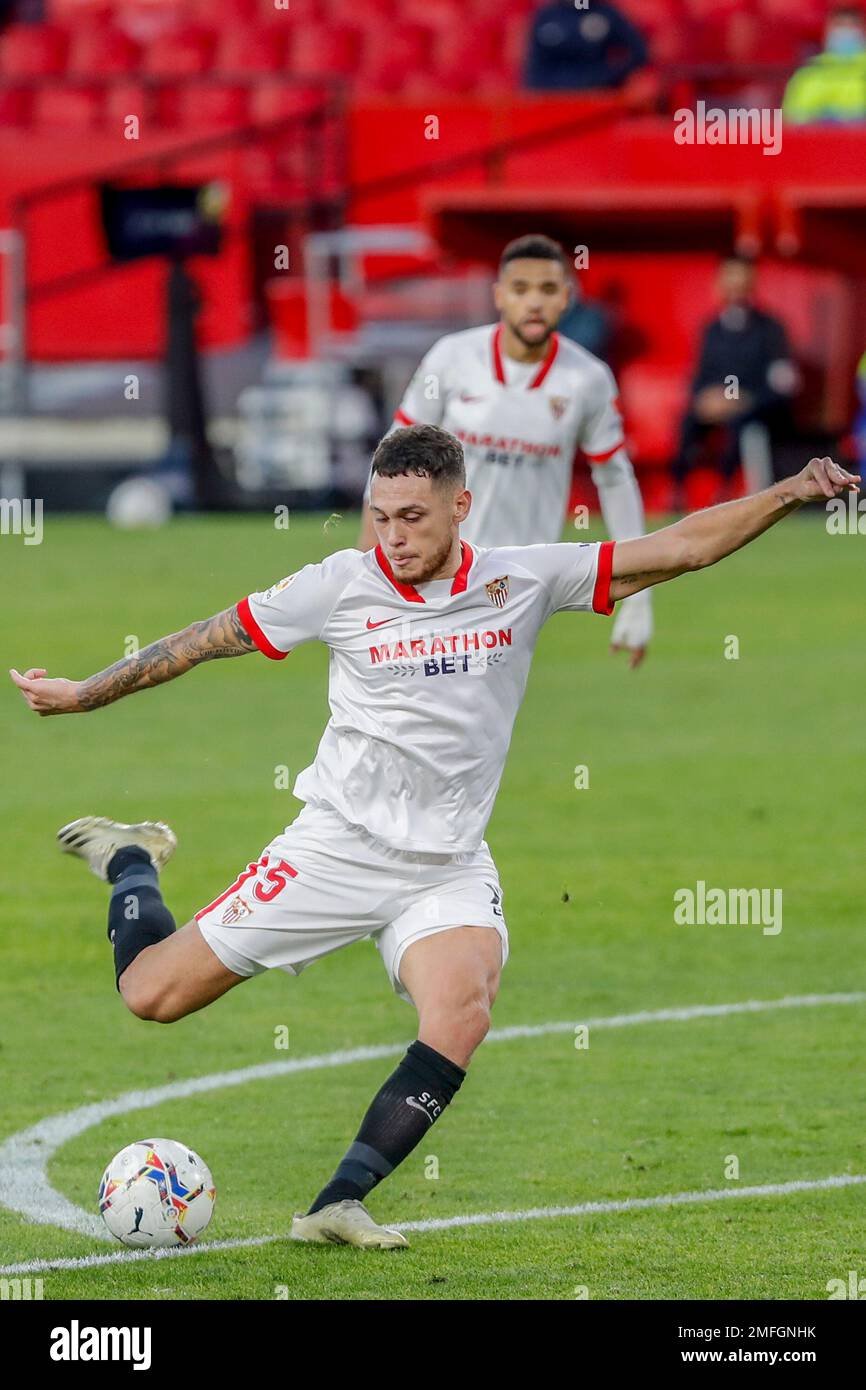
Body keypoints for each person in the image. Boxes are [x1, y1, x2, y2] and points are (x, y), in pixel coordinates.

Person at [10, 425, 856, 1249]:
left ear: (461, 507)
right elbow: (201, 642)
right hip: (334, 849)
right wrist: (86, 694)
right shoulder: (337, 585)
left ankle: (335, 1205)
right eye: (379, 515)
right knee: (151, 996)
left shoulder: (523, 579)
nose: (393, 535)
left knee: (462, 1008)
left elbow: (681, 548)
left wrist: (787, 491)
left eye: (413, 517)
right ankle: (129, 856)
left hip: (446, 865)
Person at [358, 234, 652, 668]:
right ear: (499, 295)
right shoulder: (452, 359)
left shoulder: (587, 379)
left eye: (548, 290)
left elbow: (614, 477)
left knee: (479, 721)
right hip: (436, 565)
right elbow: (391, 462)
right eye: (521, 289)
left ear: (567, 298)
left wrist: (639, 598)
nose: (534, 302)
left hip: (518, 587)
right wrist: (367, 568)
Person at [672, 256, 799, 506]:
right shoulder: (711, 330)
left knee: (741, 425)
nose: (735, 285)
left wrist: (745, 400)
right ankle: (677, 494)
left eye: (741, 278)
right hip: (718, 407)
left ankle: (727, 494)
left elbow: (783, 384)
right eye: (729, 277)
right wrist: (704, 399)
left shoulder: (770, 329)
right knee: (688, 421)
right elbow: (700, 376)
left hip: (756, 410)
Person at [524, 0, 647, 92]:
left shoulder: (607, 14)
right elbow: (534, 62)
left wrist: (608, 78)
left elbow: (639, 53)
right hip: (552, 97)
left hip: (595, 96)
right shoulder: (547, 15)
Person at [783, 5, 866, 125]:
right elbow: (792, 120)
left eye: (852, 26)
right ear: (827, 31)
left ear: (863, 31)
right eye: (839, 25)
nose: (845, 32)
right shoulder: (809, 72)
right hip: (817, 141)